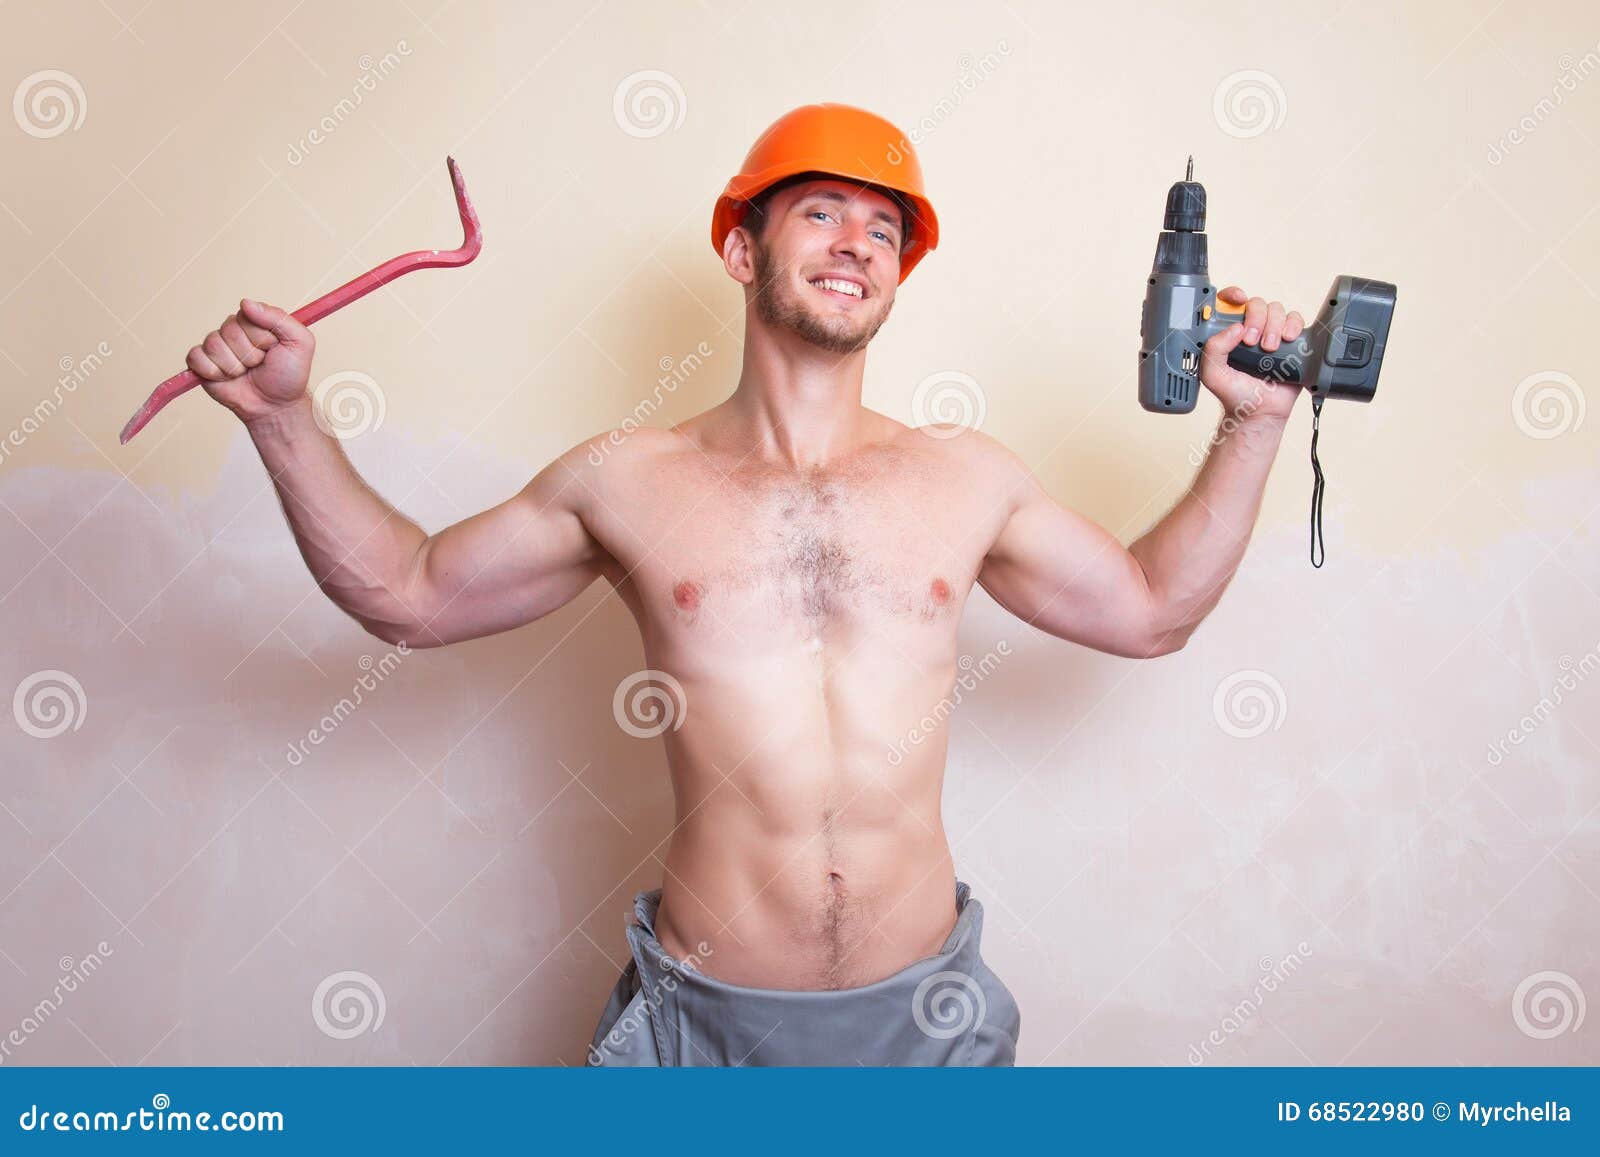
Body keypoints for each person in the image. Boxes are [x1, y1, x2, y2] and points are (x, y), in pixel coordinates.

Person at [180, 103, 1305, 1066]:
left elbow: (1151, 613)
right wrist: (283, 418)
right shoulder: (623, 479)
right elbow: (408, 594)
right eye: (820, 211)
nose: (856, 243)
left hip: (927, 1023)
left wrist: (1251, 426)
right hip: (702, 1033)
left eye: (883, 230)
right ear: (741, 250)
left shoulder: (966, 478)